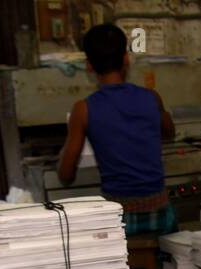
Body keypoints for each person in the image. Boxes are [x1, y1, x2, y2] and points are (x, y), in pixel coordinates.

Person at [56, 23, 176, 235]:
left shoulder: (83, 110)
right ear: (126, 59)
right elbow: (169, 135)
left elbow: (66, 175)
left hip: (120, 224)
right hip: (161, 217)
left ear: (89, 66)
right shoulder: (152, 98)